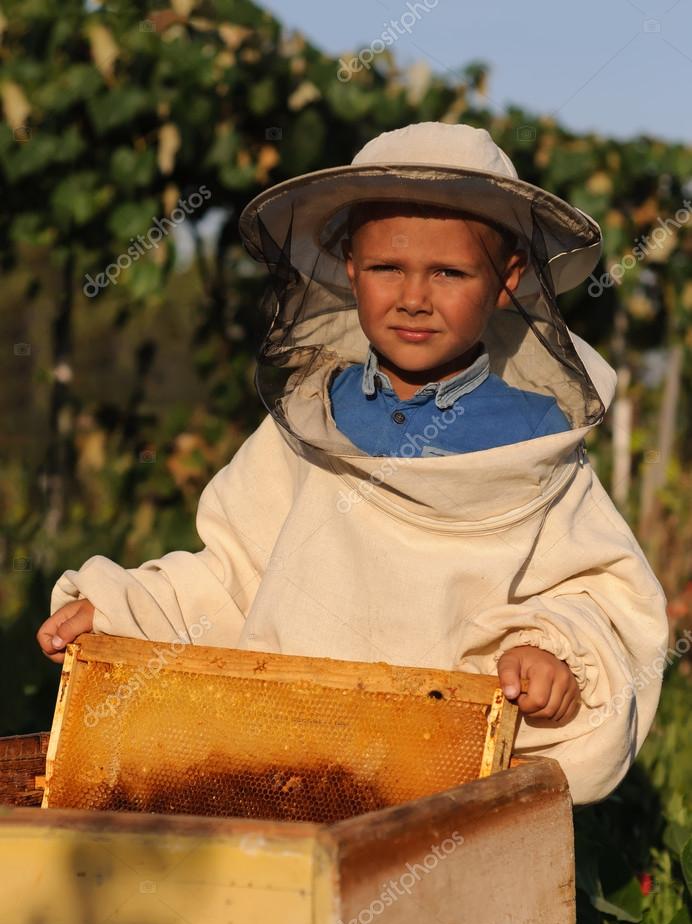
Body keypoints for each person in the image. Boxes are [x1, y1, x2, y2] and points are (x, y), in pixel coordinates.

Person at [37, 122, 669, 805]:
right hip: (278, 756)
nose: (414, 297)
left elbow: (603, 594)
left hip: (447, 776)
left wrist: (555, 656)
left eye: (450, 272)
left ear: (506, 277)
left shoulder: (535, 441)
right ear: (348, 265)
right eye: (386, 268)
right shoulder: (313, 417)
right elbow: (234, 575)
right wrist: (129, 608)